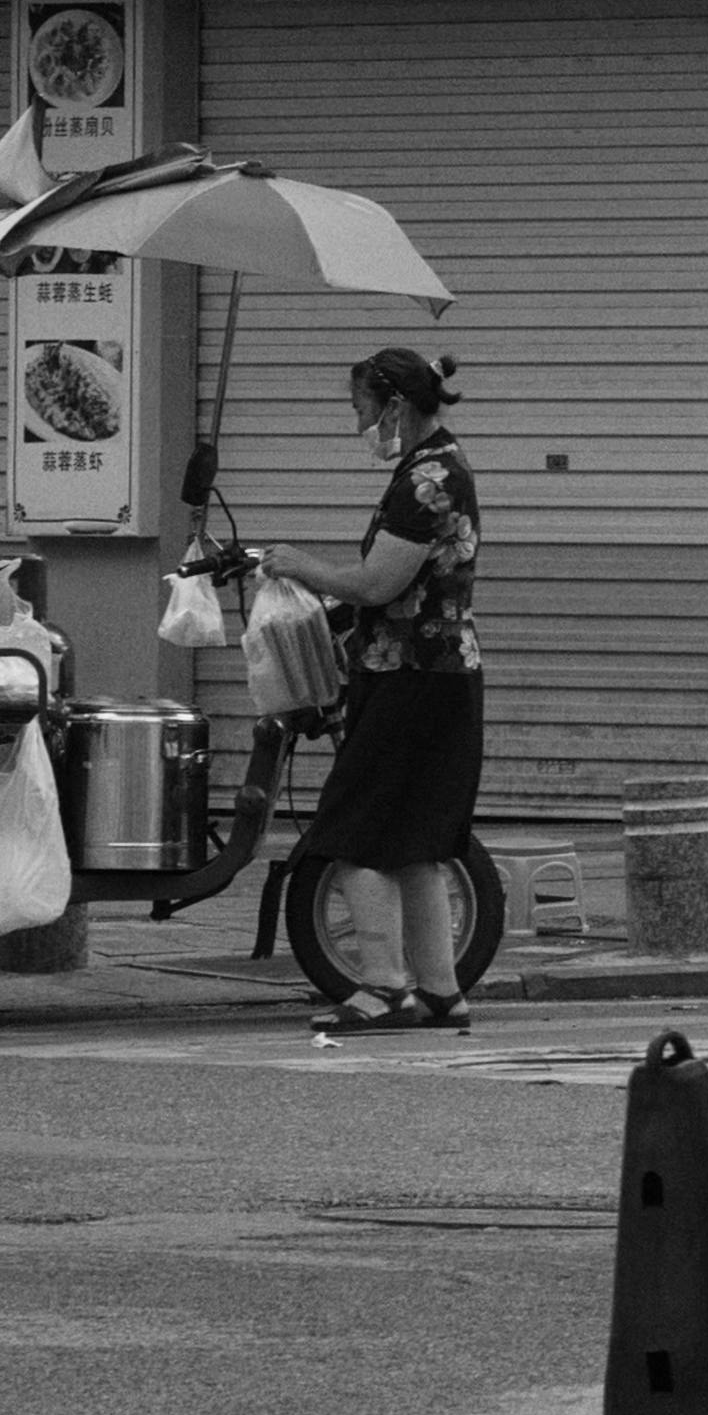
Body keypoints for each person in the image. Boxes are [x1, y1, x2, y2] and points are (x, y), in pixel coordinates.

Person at [259, 345, 483, 1036]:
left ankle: (385, 985)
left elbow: (379, 585)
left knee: (352, 834)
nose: (356, 421)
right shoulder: (432, 466)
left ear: (394, 406)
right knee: (413, 841)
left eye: (359, 407)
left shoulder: (427, 481)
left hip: (411, 678)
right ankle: (441, 991)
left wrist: (300, 566)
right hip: (434, 677)